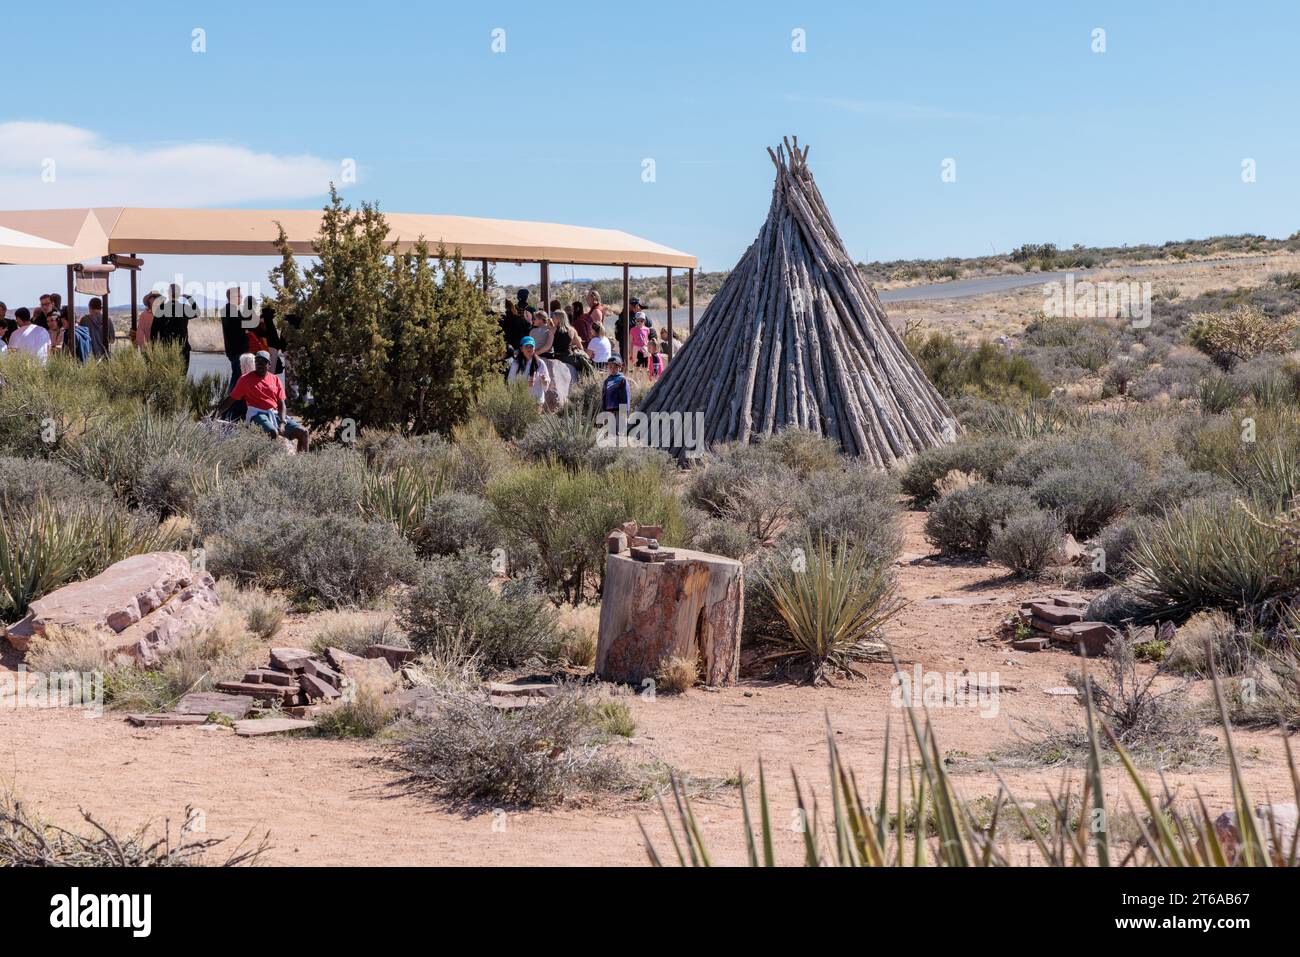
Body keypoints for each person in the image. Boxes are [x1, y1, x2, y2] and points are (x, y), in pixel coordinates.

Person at [214, 350, 310, 452]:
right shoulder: (245, 379)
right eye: (257, 362)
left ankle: (302, 463)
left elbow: (281, 404)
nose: (259, 365)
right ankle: (268, 461)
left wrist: (282, 422)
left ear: (269, 364)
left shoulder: (275, 379)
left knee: (303, 433)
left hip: (274, 414)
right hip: (257, 414)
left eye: (263, 362)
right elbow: (231, 399)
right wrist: (215, 414)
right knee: (272, 432)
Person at [220, 288, 250, 392]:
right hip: (238, 349)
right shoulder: (231, 311)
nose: (241, 298)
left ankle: (232, 403)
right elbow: (245, 323)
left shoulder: (228, 310)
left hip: (233, 349)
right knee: (237, 378)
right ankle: (230, 404)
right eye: (240, 296)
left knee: (238, 377)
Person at [507, 335, 550, 407]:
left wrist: (544, 380)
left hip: (536, 401)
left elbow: (546, 386)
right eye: (526, 346)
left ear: (534, 348)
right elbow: (510, 380)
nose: (529, 349)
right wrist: (524, 385)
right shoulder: (516, 363)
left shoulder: (540, 363)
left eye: (531, 346)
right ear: (521, 349)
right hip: (520, 400)